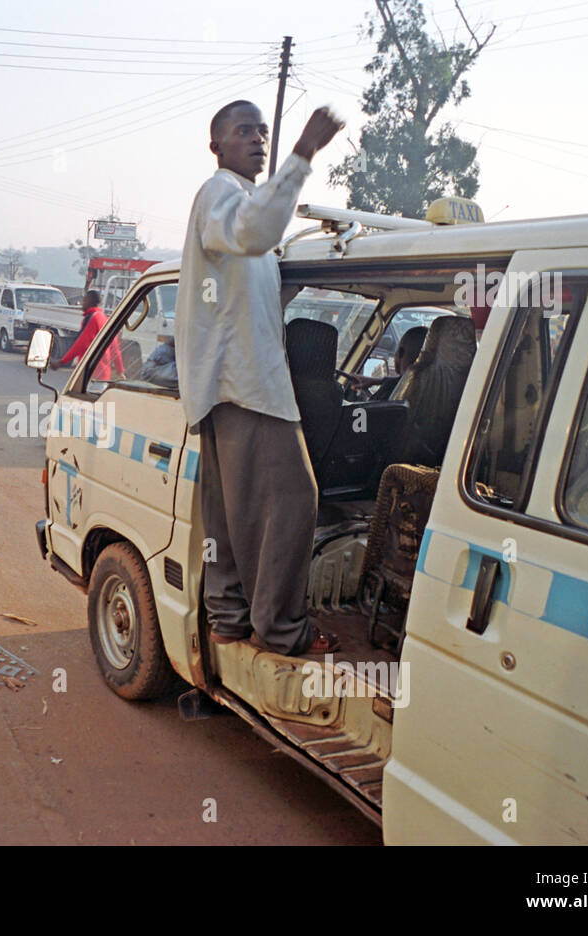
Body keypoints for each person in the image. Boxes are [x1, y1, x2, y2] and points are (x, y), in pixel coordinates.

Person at [176, 100, 344, 656]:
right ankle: (282, 630)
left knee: (231, 513)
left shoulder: (237, 204)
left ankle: (229, 616)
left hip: (227, 385)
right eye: (243, 131)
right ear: (216, 145)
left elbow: (253, 255)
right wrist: (303, 153)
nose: (257, 140)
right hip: (247, 386)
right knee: (294, 499)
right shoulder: (222, 194)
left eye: (263, 133)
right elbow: (253, 233)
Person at [52, 289, 124, 380]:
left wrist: (61, 362)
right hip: (103, 375)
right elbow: (115, 347)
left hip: (89, 374)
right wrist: (120, 371)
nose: (82, 303)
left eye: (84, 300)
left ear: (89, 301)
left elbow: (81, 343)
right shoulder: (104, 318)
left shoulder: (92, 318)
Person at [345, 324, 427, 399]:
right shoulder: (433, 388)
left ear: (400, 353)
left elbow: (366, 412)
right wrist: (378, 381)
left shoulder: (393, 389)